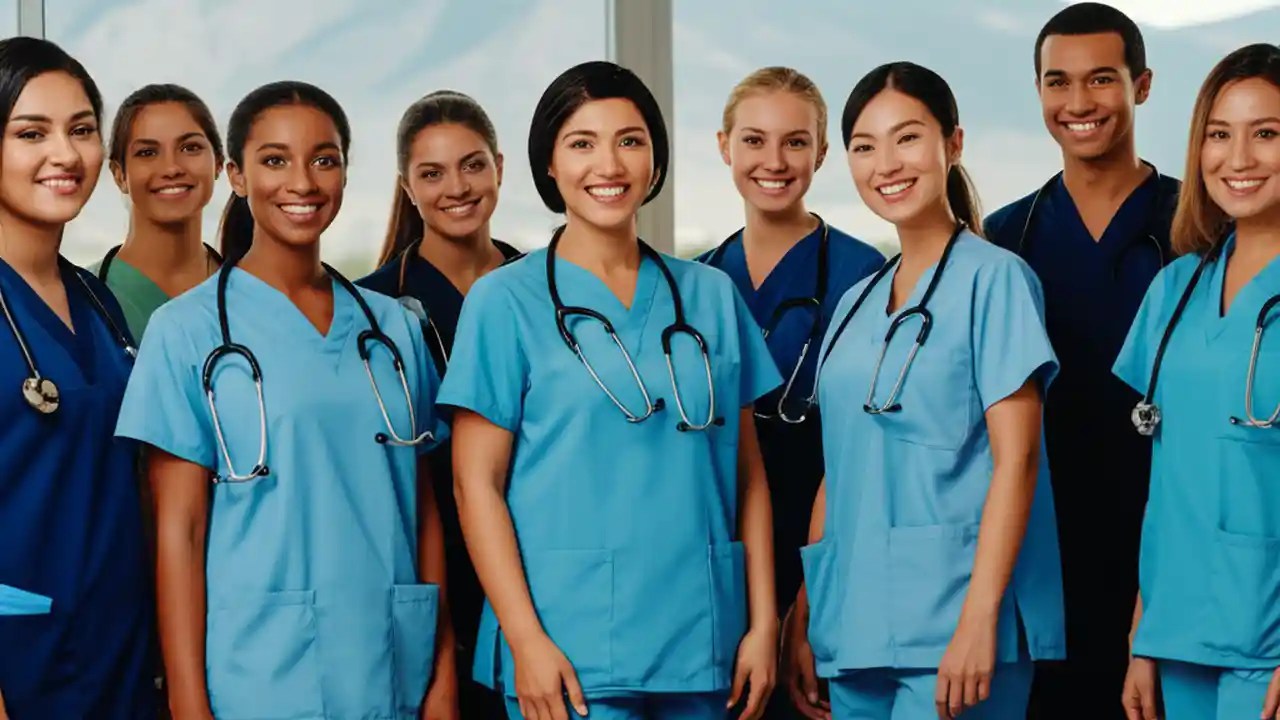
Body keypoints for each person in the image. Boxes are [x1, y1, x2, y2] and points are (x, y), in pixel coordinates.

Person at [439, 60, 781, 720]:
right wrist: (525, 640)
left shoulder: (710, 296)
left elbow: (749, 478)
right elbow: (474, 485)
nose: (610, 164)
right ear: (548, 164)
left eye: (630, 140)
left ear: (655, 157)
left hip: (703, 641)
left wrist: (763, 624)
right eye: (582, 143)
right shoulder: (504, 302)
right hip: (568, 653)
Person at [114, 80, 456, 720]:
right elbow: (179, 533)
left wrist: (441, 679)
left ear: (345, 173)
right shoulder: (185, 332)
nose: (302, 181)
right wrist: (187, 702)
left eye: (323, 159)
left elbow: (423, 507)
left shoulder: (394, 330)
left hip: (391, 666)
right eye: (275, 160)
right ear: (237, 175)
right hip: (258, 675)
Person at [794, 61, 1065, 720]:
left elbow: (1019, 459)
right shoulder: (856, 302)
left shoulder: (996, 280)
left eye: (907, 137)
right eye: (865, 146)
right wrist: (806, 609)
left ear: (954, 143)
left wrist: (979, 619)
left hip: (956, 626)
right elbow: (841, 465)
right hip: (853, 622)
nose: (886, 163)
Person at [981, 6, 1179, 715]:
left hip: (1165, 544)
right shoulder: (1005, 239)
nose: (1077, 102)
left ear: (1142, 86)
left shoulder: (1195, 226)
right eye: (1057, 82)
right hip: (1044, 550)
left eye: (1101, 79)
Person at [698, 65, 883, 720]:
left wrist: (806, 605)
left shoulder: (865, 276)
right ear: (724, 146)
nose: (773, 162)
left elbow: (864, 458)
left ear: (822, 152)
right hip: (717, 576)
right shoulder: (698, 286)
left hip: (826, 566)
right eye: (754, 140)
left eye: (795, 142)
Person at [1114, 42, 1280, 720]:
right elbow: (1168, 479)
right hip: (1176, 630)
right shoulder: (1175, 288)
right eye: (1219, 134)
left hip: (1267, 639)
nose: (1237, 158)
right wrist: (1142, 634)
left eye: (1266, 134)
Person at [0, 36, 154, 719]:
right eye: (31, 133)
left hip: (118, 652)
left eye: (82, 130)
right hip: (22, 658)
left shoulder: (98, 301)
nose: (64, 154)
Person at [358, 88, 521, 719]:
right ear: (407, 186)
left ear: (499, 167)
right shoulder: (370, 310)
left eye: (472, 165)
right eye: (432, 173)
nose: (456, 187)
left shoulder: (546, 290)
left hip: (540, 563)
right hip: (426, 570)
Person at [93, 83, 224, 340]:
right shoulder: (82, 297)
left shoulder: (250, 295)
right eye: (147, 152)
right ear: (119, 175)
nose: (171, 168)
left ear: (218, 163)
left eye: (190, 148)